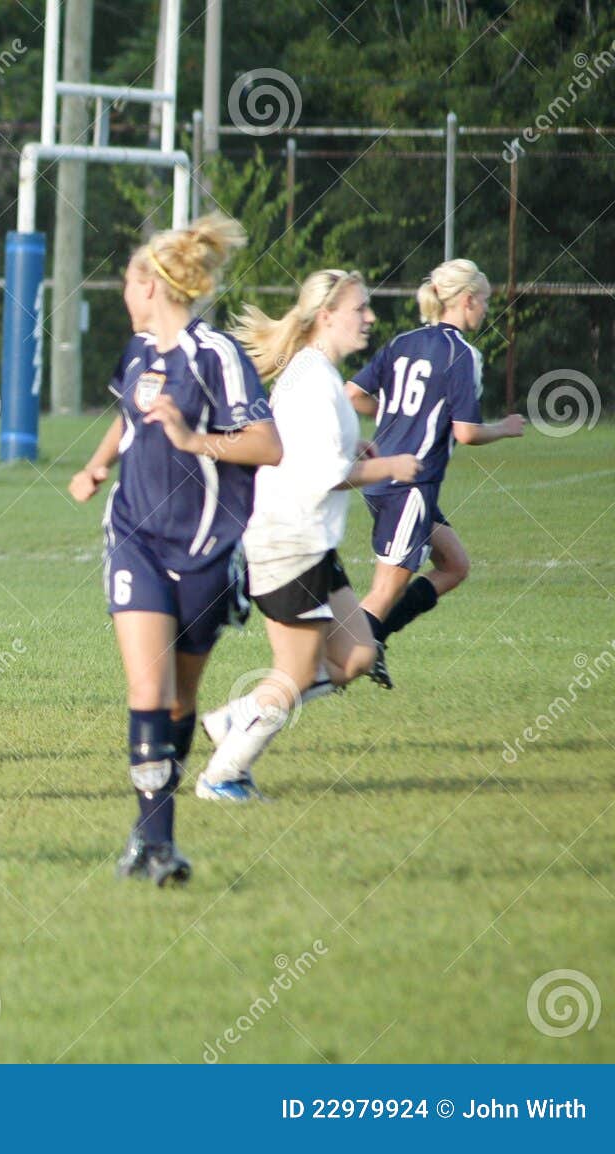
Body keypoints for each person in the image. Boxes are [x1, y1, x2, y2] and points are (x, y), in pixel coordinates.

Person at [69, 214, 281, 886]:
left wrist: (196, 442)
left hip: (208, 548)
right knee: (147, 688)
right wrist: (97, 465)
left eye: (129, 280)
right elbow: (128, 420)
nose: (124, 292)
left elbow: (267, 446)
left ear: (152, 286)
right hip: (135, 534)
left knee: (182, 700)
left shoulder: (215, 355)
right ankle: (158, 845)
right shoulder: (137, 354)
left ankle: (147, 831)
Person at [196, 270, 420, 799]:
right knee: (293, 675)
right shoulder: (317, 381)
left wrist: (358, 446)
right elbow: (324, 474)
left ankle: (237, 718)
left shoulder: (313, 370)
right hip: (286, 544)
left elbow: (316, 450)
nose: (369, 317)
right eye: (359, 308)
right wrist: (390, 465)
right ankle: (221, 776)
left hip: (311, 541)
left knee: (357, 656)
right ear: (327, 316)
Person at [345, 259, 525, 687]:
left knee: (454, 565)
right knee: (385, 590)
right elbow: (464, 432)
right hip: (409, 485)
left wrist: (389, 413)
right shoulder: (461, 354)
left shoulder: (403, 341)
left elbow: (351, 393)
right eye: (483, 302)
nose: (484, 311)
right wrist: (504, 428)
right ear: (467, 300)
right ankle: (330, 666)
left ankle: (374, 641)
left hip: (382, 475)